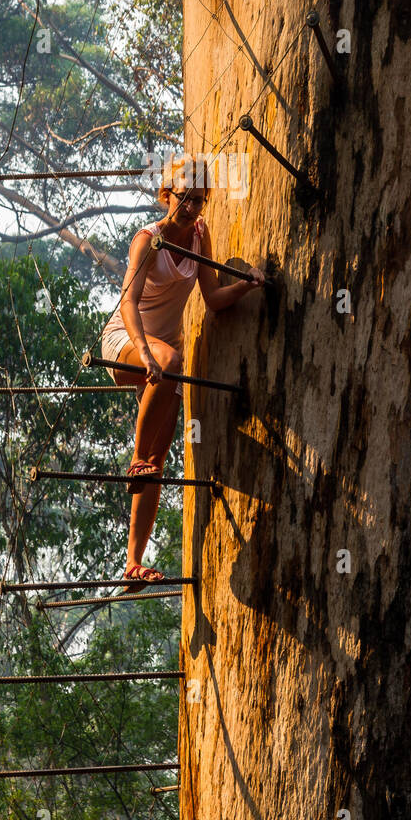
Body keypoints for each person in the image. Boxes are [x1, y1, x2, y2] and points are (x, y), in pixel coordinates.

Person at [100, 155, 265, 590]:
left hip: (165, 355)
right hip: (126, 343)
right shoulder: (147, 240)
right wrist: (146, 354)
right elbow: (128, 304)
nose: (191, 208)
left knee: (159, 459)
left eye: (199, 200)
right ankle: (135, 457)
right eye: (184, 198)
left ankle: (133, 562)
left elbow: (211, 298)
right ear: (165, 195)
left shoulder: (198, 236)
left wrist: (247, 284)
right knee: (169, 372)